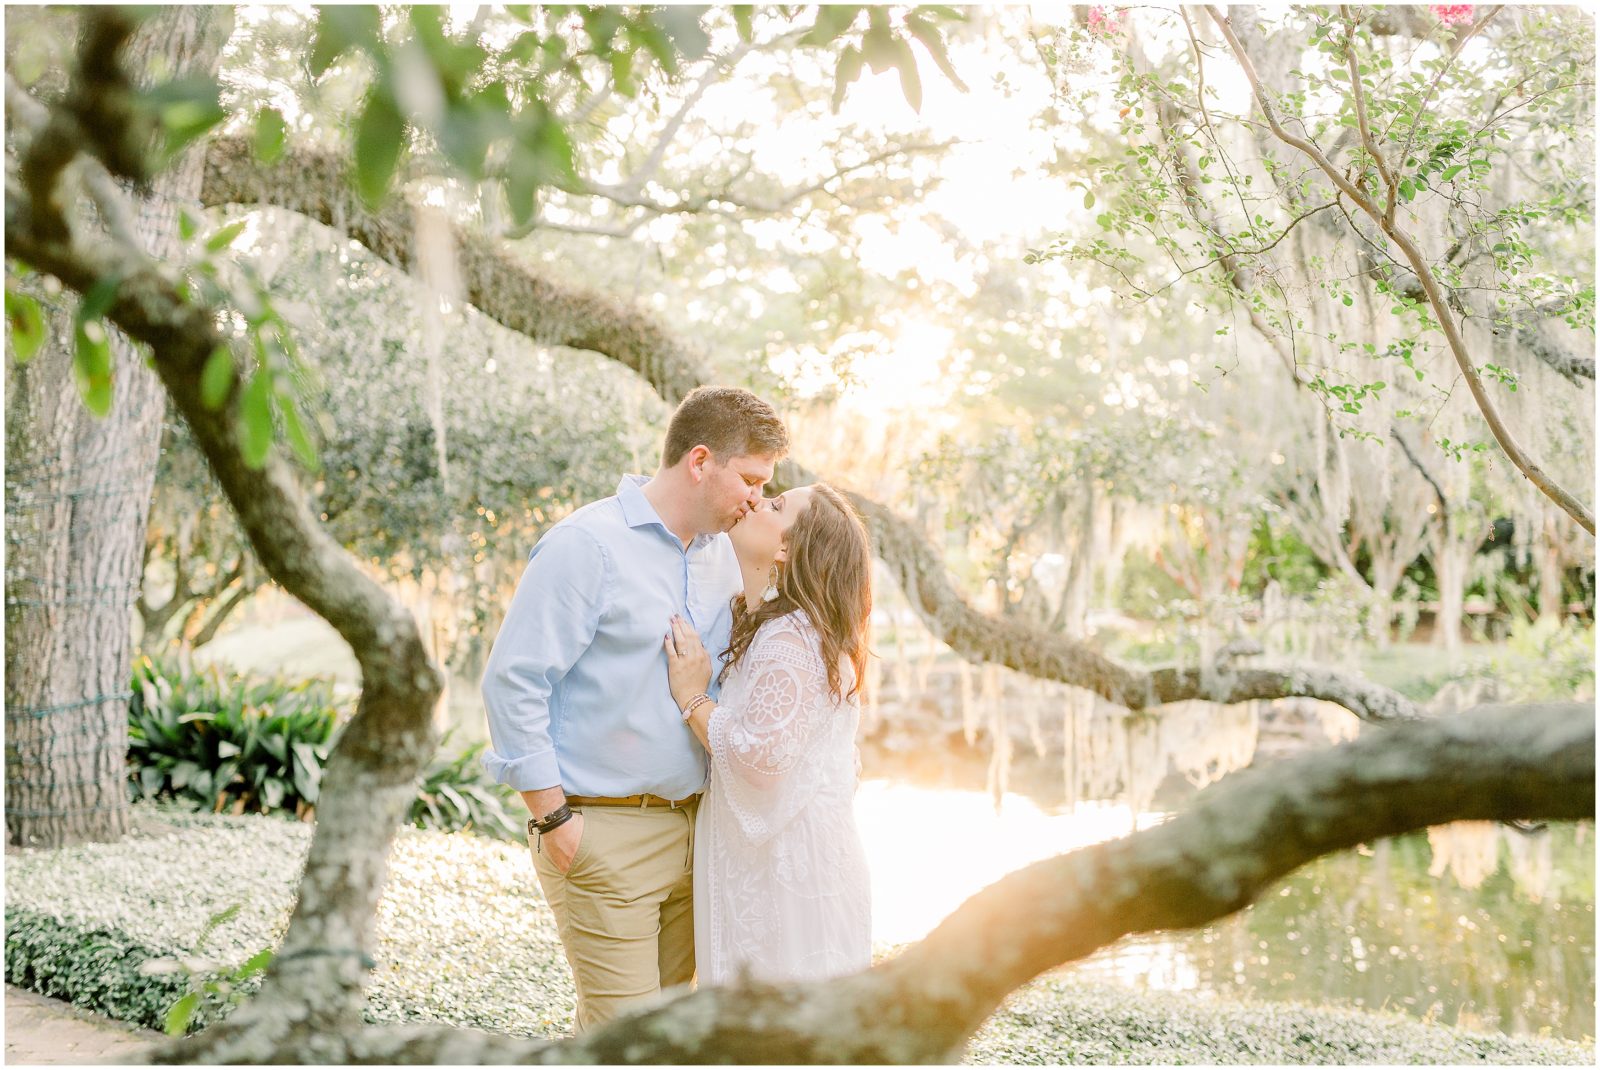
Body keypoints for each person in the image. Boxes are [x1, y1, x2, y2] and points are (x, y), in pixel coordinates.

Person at [480, 385, 788, 1032]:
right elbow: (514, 681)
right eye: (751, 480)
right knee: (624, 1043)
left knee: (661, 1040)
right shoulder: (586, 545)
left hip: (700, 836)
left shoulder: (724, 557)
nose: (757, 498)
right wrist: (555, 819)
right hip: (603, 833)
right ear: (700, 461)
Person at [663, 481, 873, 985]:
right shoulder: (787, 628)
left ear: (785, 549)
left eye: (776, 505)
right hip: (790, 856)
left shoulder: (789, 640)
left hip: (788, 870)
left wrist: (693, 699)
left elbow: (760, 758)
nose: (757, 501)